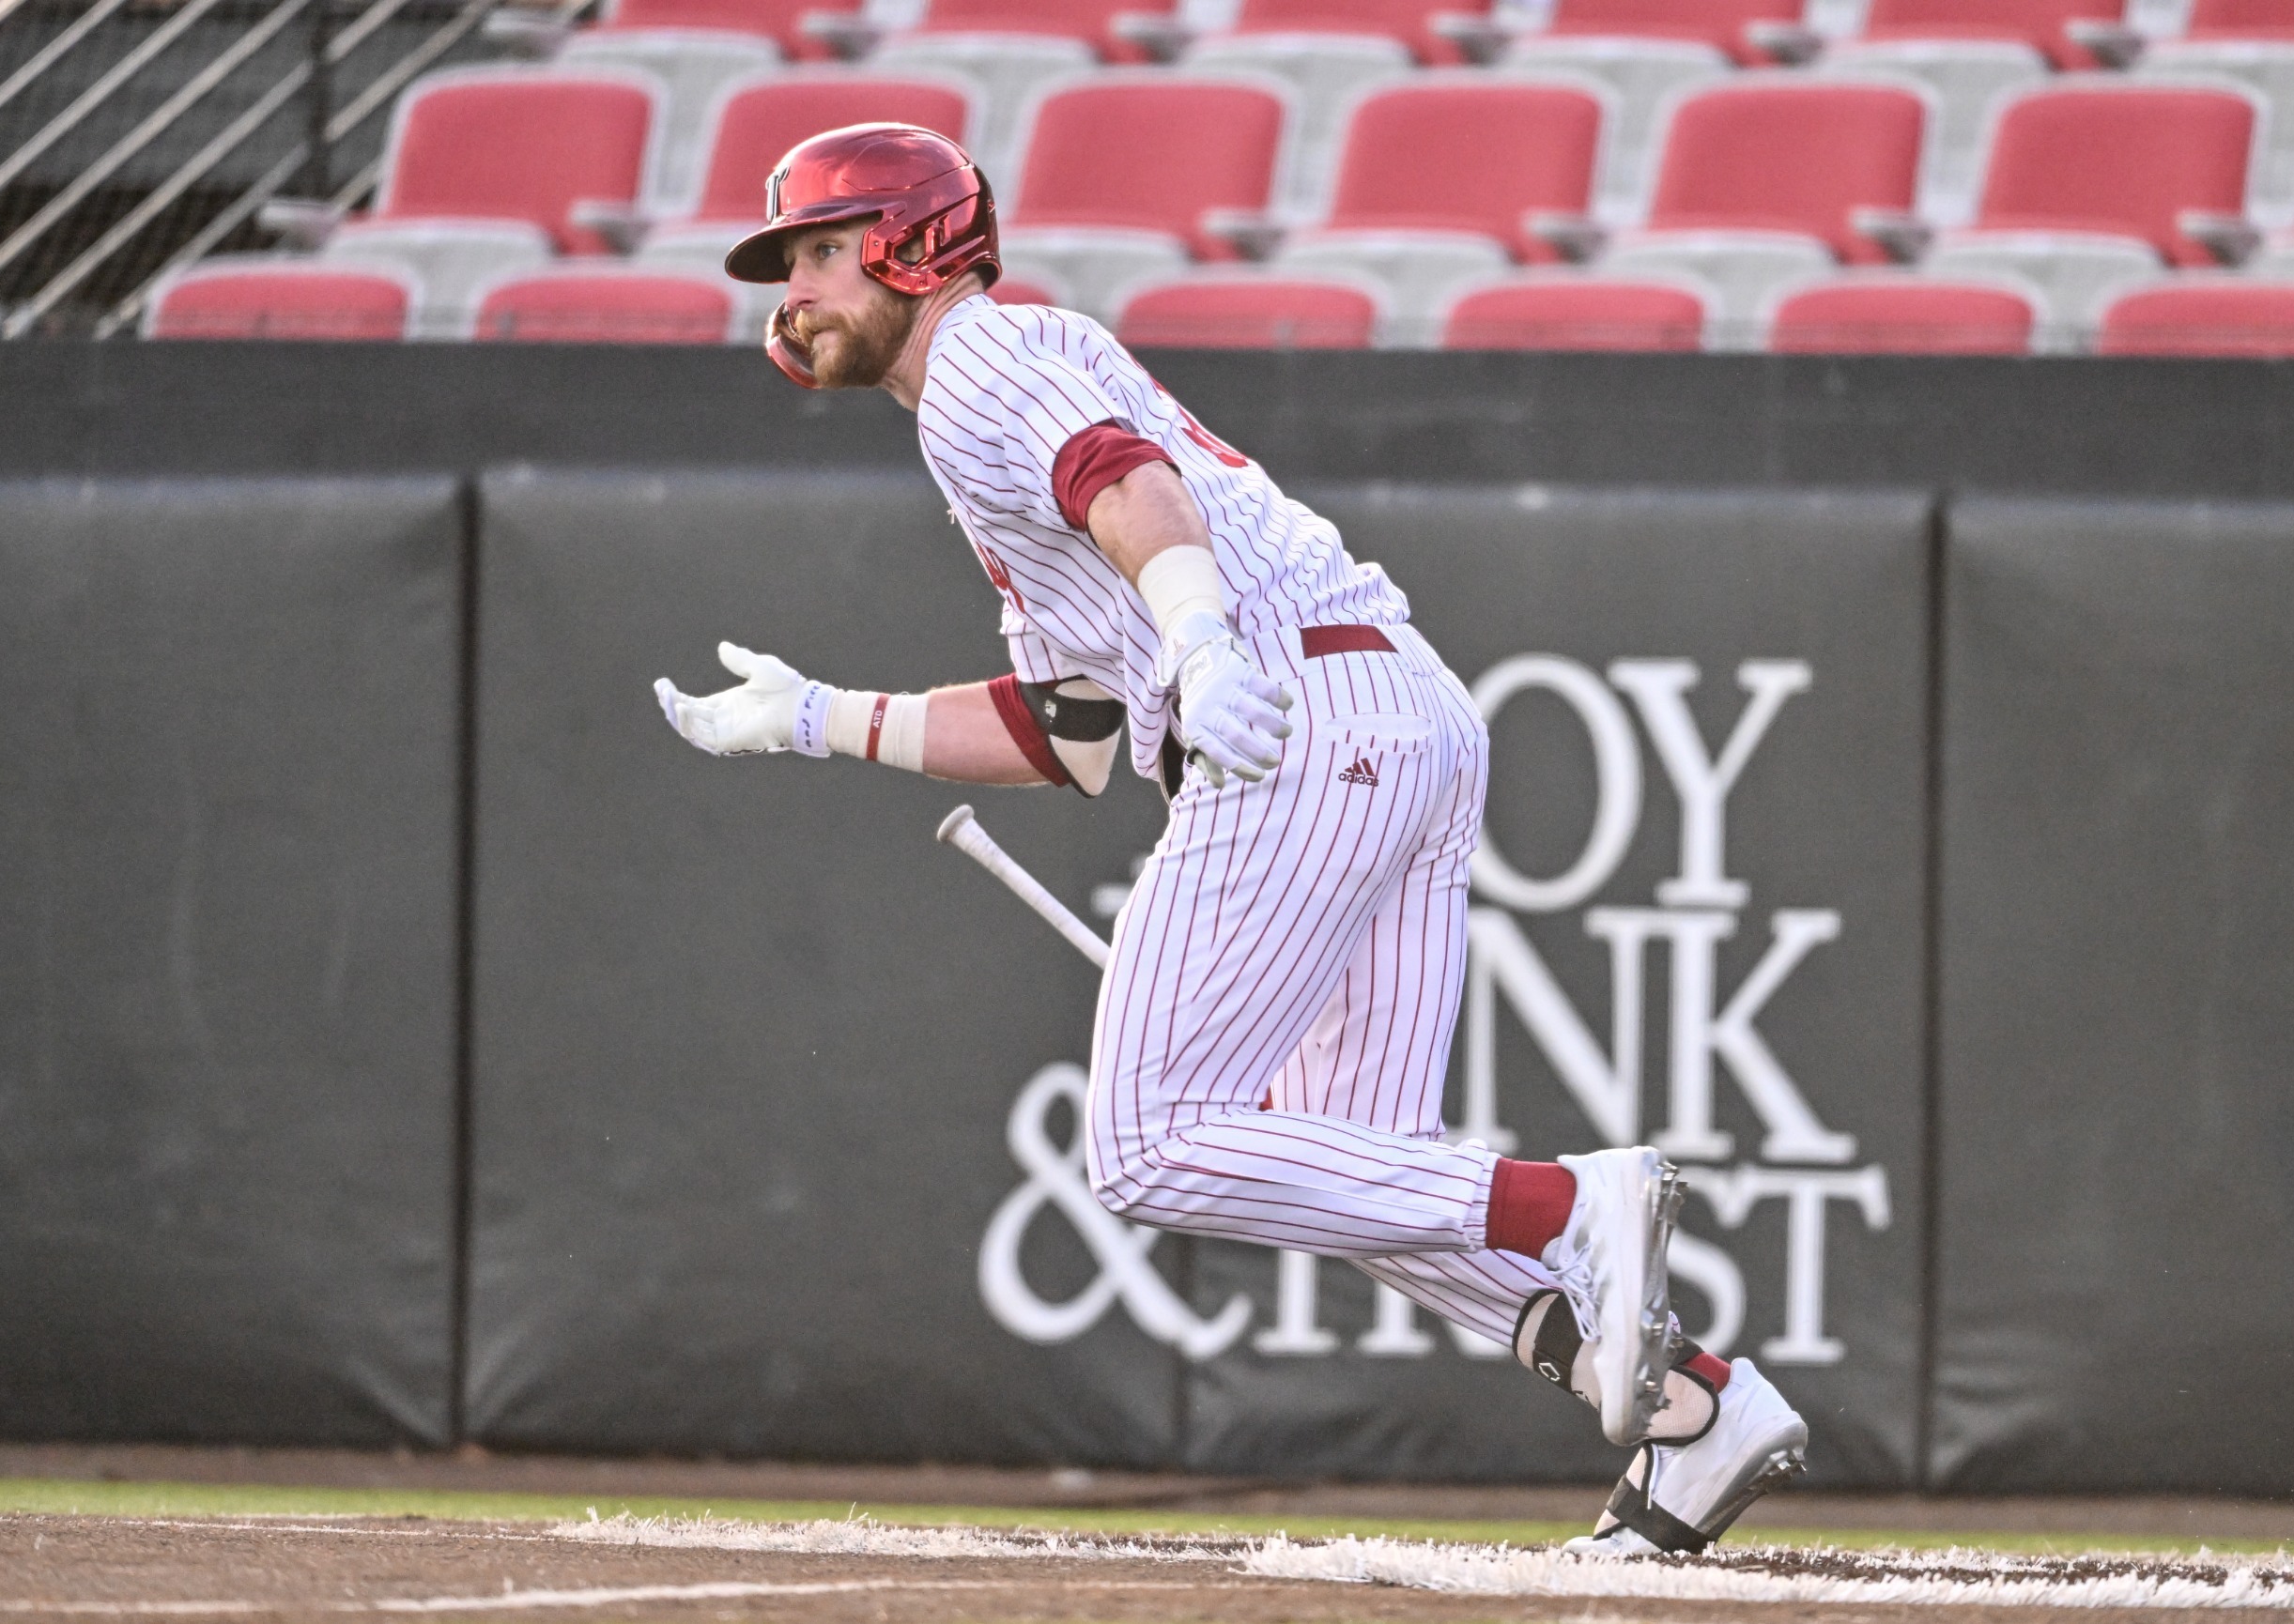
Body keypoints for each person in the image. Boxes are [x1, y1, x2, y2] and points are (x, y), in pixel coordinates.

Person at [652, 121, 1808, 1554]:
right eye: (788, 266)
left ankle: (1571, 1201)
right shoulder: (980, 410)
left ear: (912, 247)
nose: (796, 292)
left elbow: (1130, 483)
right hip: (1393, 710)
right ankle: (1695, 1410)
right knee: (1364, 1178)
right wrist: (823, 717)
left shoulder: (978, 356)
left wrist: (1198, 641)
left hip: (1285, 715)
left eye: (823, 252)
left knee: (1144, 1145)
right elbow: (1071, 729)